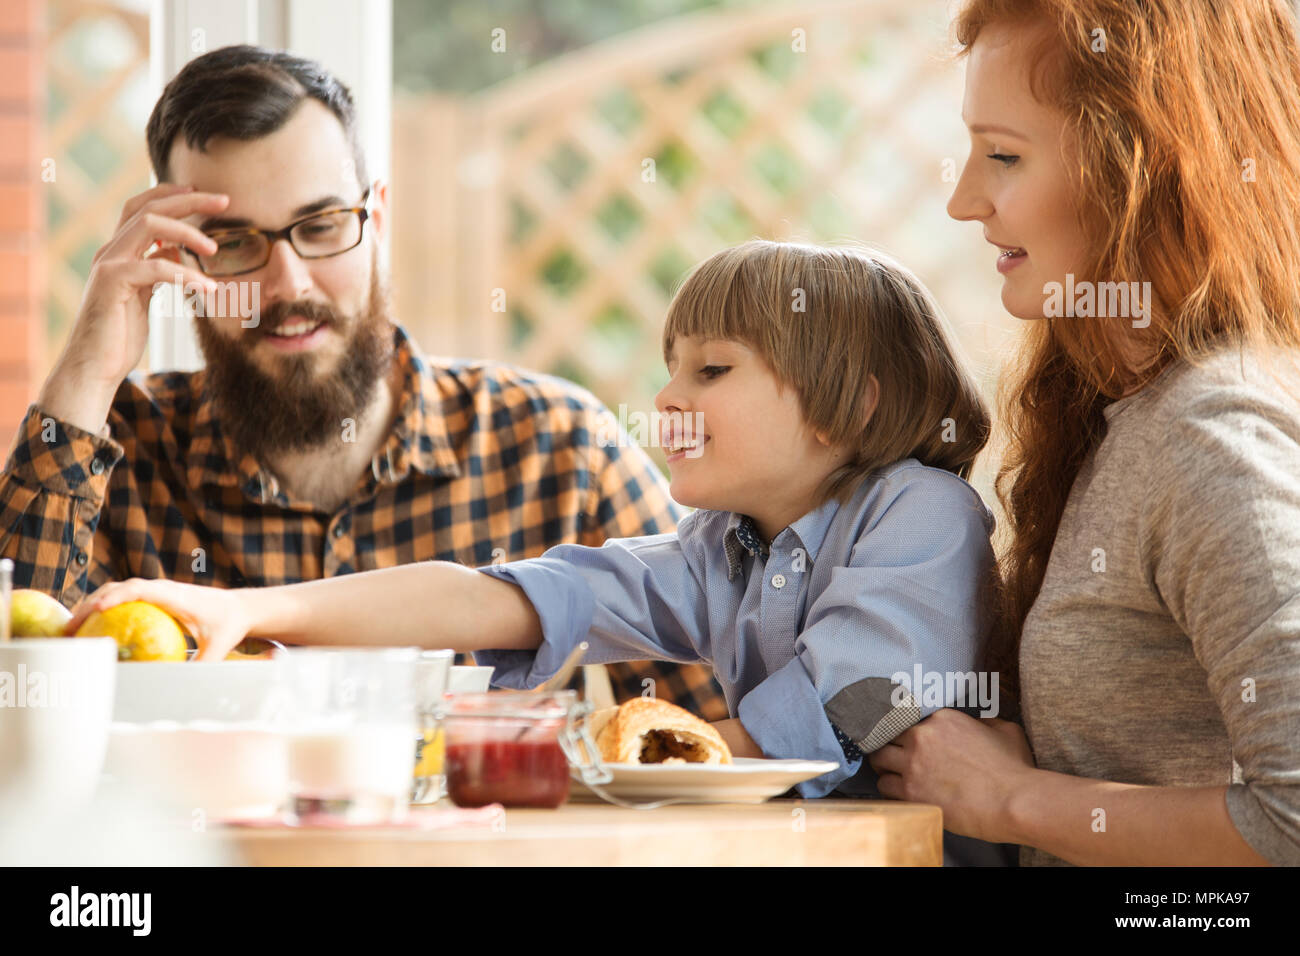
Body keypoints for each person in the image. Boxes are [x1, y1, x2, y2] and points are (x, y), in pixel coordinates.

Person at [71, 239, 1016, 865]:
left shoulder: (922, 512)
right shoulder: (722, 549)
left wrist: (634, 759)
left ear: (849, 407)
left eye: (712, 370)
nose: (670, 397)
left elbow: (854, 696)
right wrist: (256, 610)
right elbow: (501, 599)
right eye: (671, 366)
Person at [0, 44, 726, 719]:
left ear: (374, 219)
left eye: (319, 226)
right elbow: (14, 702)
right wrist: (84, 376)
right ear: (178, 261)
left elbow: (732, 729)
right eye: (233, 243)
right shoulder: (116, 452)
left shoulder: (561, 451)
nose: (287, 284)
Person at [866, 0, 1300, 865]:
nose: (961, 200)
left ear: (1141, 168)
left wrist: (1012, 799)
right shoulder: (1135, 413)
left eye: (1003, 155)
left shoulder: (1212, 435)